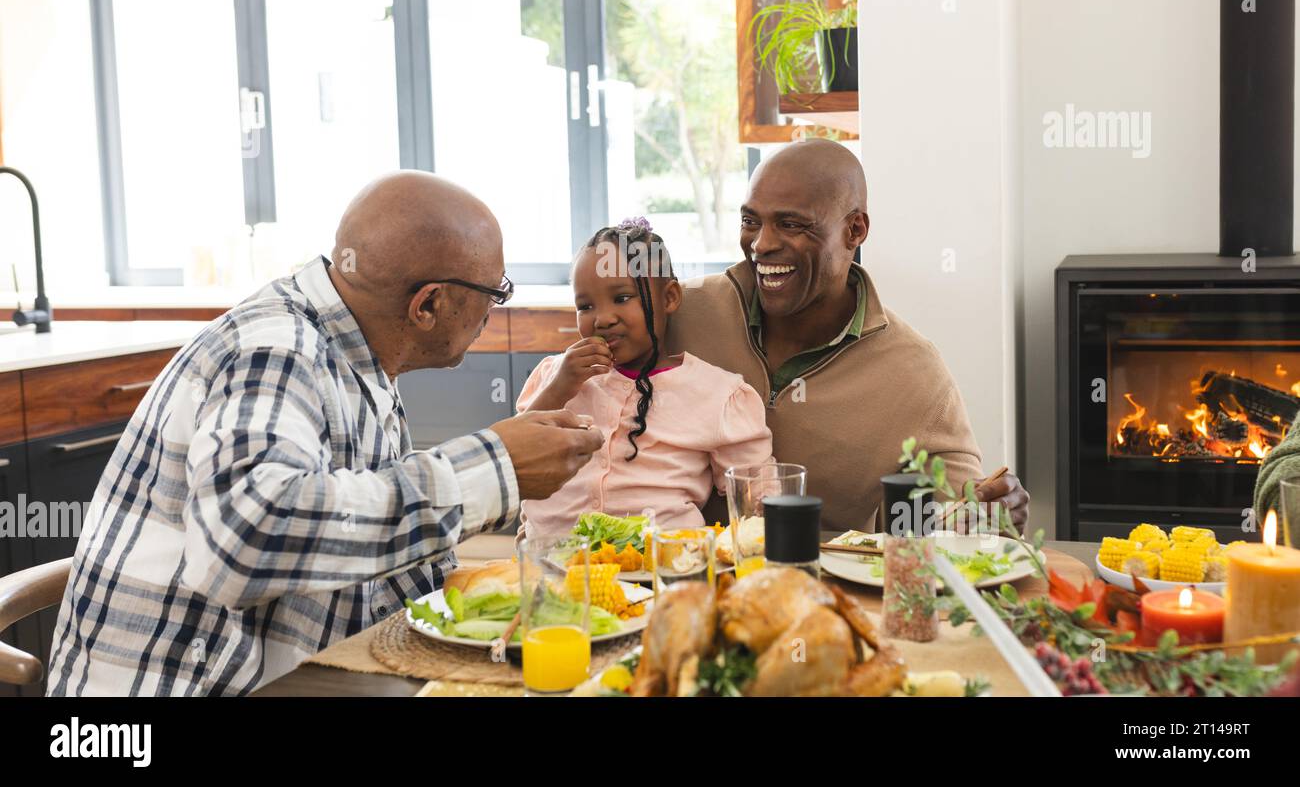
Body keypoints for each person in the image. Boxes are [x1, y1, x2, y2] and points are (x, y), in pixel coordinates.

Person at [46, 172, 603, 696]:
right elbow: (245, 538)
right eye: (495, 291)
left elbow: (349, 532)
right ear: (429, 304)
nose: (492, 312)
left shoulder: (354, 354)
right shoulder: (277, 349)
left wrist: (490, 583)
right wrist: (494, 468)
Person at [665, 139, 1030, 533]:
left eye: (790, 224)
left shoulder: (914, 372)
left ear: (854, 230)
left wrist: (990, 510)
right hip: (669, 583)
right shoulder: (678, 315)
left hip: (828, 589)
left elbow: (954, 512)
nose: (761, 244)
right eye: (751, 221)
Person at [516, 218, 773, 543]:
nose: (603, 318)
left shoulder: (717, 394)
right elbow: (513, 453)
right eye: (585, 306)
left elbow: (755, 490)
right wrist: (558, 388)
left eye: (622, 298)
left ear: (668, 298)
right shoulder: (554, 376)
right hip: (551, 565)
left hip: (660, 567)